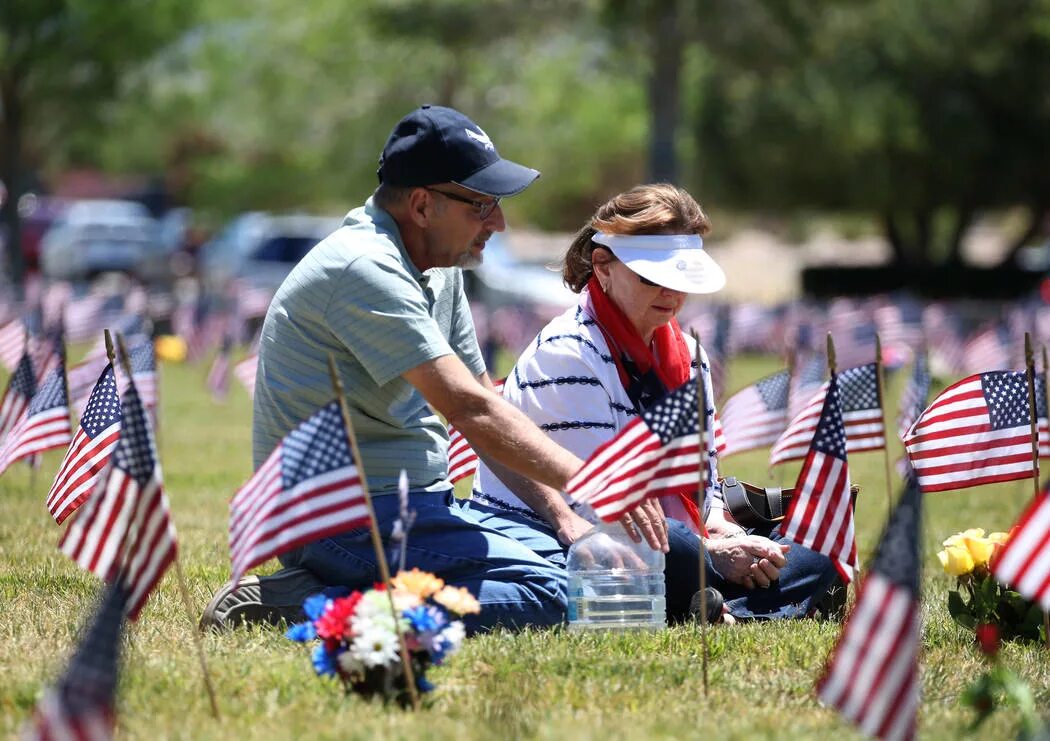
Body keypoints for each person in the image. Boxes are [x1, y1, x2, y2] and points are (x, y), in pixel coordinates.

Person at [201, 105, 671, 633]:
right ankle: (315, 603)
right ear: (423, 206)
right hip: (341, 519)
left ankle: (343, 592)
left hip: (412, 503)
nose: (498, 223)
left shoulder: (435, 266)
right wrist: (598, 482)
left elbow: (483, 406)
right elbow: (466, 406)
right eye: (481, 205)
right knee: (560, 596)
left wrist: (565, 519)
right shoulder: (364, 267)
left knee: (584, 559)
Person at [471, 184, 842, 621]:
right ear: (603, 266)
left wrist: (723, 529)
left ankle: (716, 609)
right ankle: (736, 605)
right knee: (678, 547)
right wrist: (714, 552)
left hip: (666, 538)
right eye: (653, 276)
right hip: (563, 537)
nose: (670, 292)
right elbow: (598, 507)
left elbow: (706, 483)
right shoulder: (568, 350)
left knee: (814, 540)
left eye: (682, 277)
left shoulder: (692, 357)